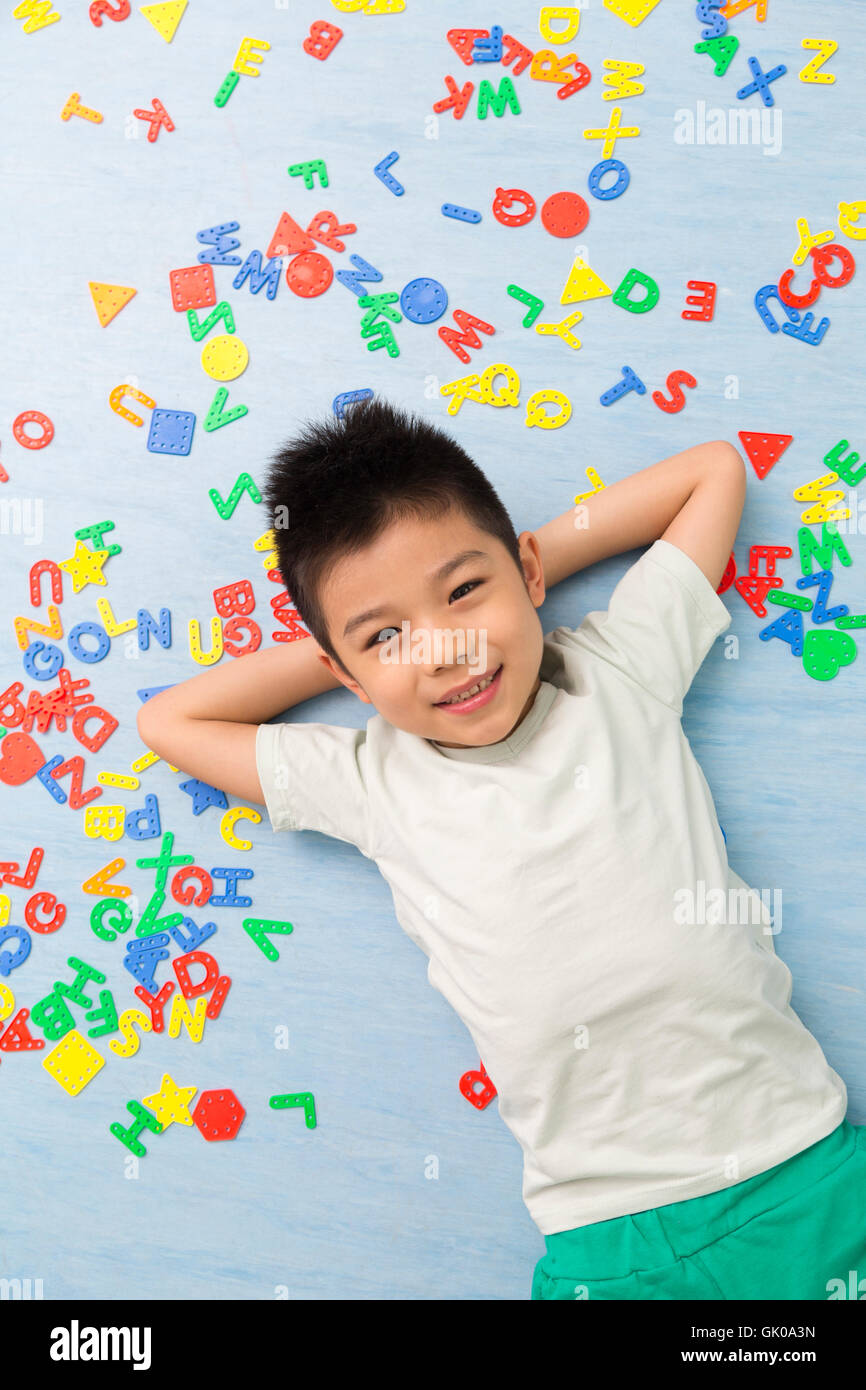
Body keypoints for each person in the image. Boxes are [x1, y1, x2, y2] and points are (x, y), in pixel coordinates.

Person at [137, 395, 864, 1300]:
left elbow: (713, 469)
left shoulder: (621, 668)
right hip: (607, 1240)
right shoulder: (371, 779)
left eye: (462, 590)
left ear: (524, 571)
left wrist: (524, 575)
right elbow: (170, 719)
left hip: (802, 1168)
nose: (443, 649)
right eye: (389, 635)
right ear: (342, 673)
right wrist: (363, 649)